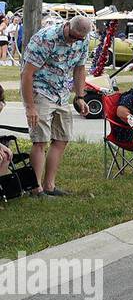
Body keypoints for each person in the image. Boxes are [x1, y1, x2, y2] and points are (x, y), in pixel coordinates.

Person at [20, 14, 92, 196]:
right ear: (67, 25)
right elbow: (26, 74)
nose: (74, 41)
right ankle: (36, 189)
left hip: (62, 94)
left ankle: (49, 186)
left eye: (79, 39)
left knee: (62, 138)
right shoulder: (45, 39)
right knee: (40, 140)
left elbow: (80, 68)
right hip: (40, 91)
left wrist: (80, 96)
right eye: (72, 36)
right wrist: (30, 107)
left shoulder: (82, 40)